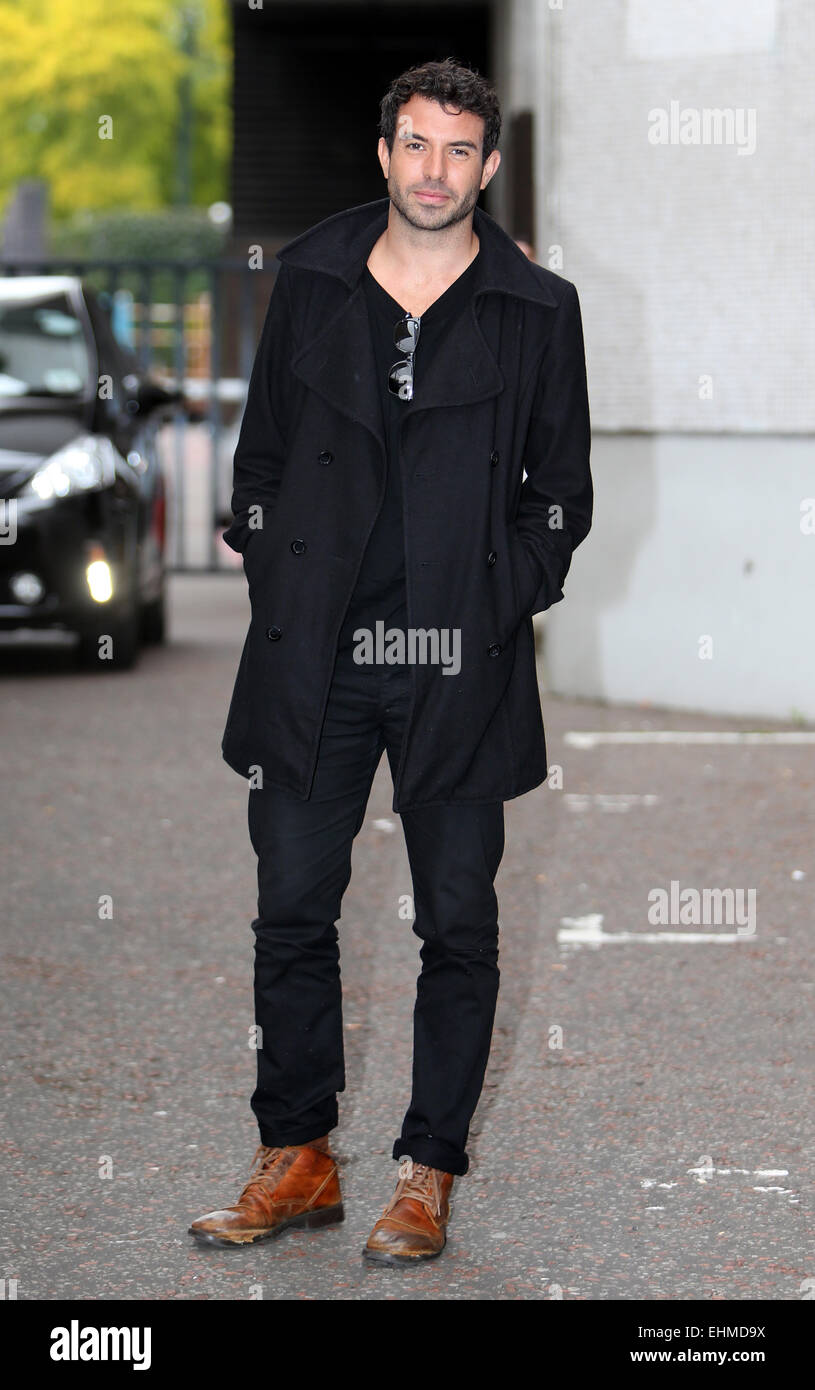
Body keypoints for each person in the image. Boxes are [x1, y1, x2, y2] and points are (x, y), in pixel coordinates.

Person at [189, 56, 592, 1266]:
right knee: (291, 913)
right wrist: (282, 577)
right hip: (314, 657)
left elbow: (560, 504)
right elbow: (257, 467)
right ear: (383, 154)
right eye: (415, 145)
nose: (434, 171)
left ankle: (426, 1172)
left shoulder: (535, 309)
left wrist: (487, 603)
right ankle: (297, 1154)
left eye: (458, 150)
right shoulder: (311, 278)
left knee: (457, 924)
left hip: (453, 663)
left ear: (488, 166)